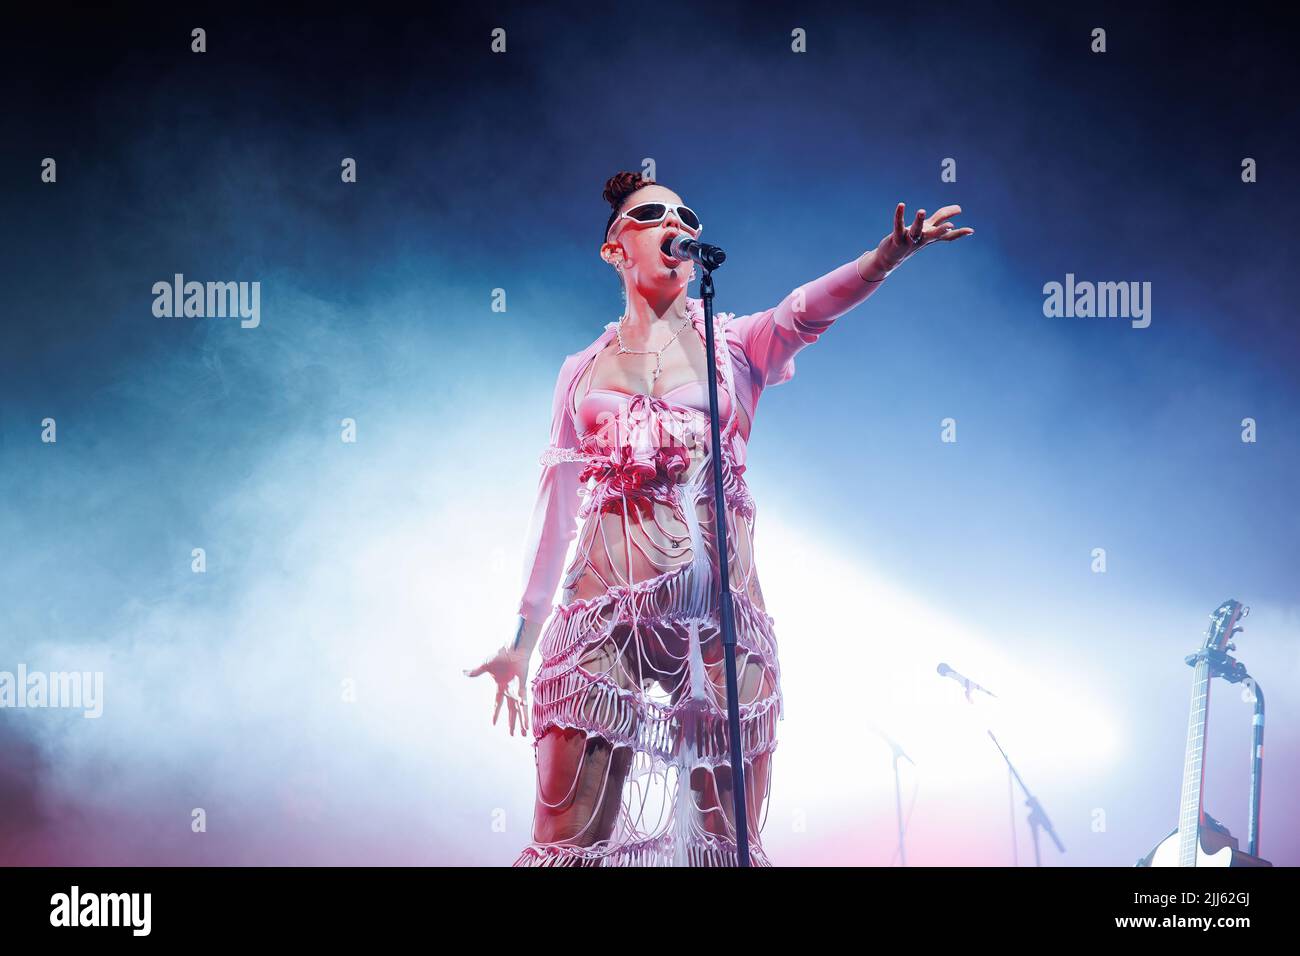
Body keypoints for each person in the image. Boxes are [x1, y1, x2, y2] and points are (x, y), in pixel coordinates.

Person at [467, 171, 972, 865]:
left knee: (725, 844)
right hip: (602, 616)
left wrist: (882, 259)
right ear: (615, 247)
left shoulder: (734, 348)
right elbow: (555, 510)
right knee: (567, 842)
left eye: (688, 216)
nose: (679, 225)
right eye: (653, 215)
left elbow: (805, 311)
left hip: (719, 616)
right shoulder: (580, 372)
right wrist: (521, 642)